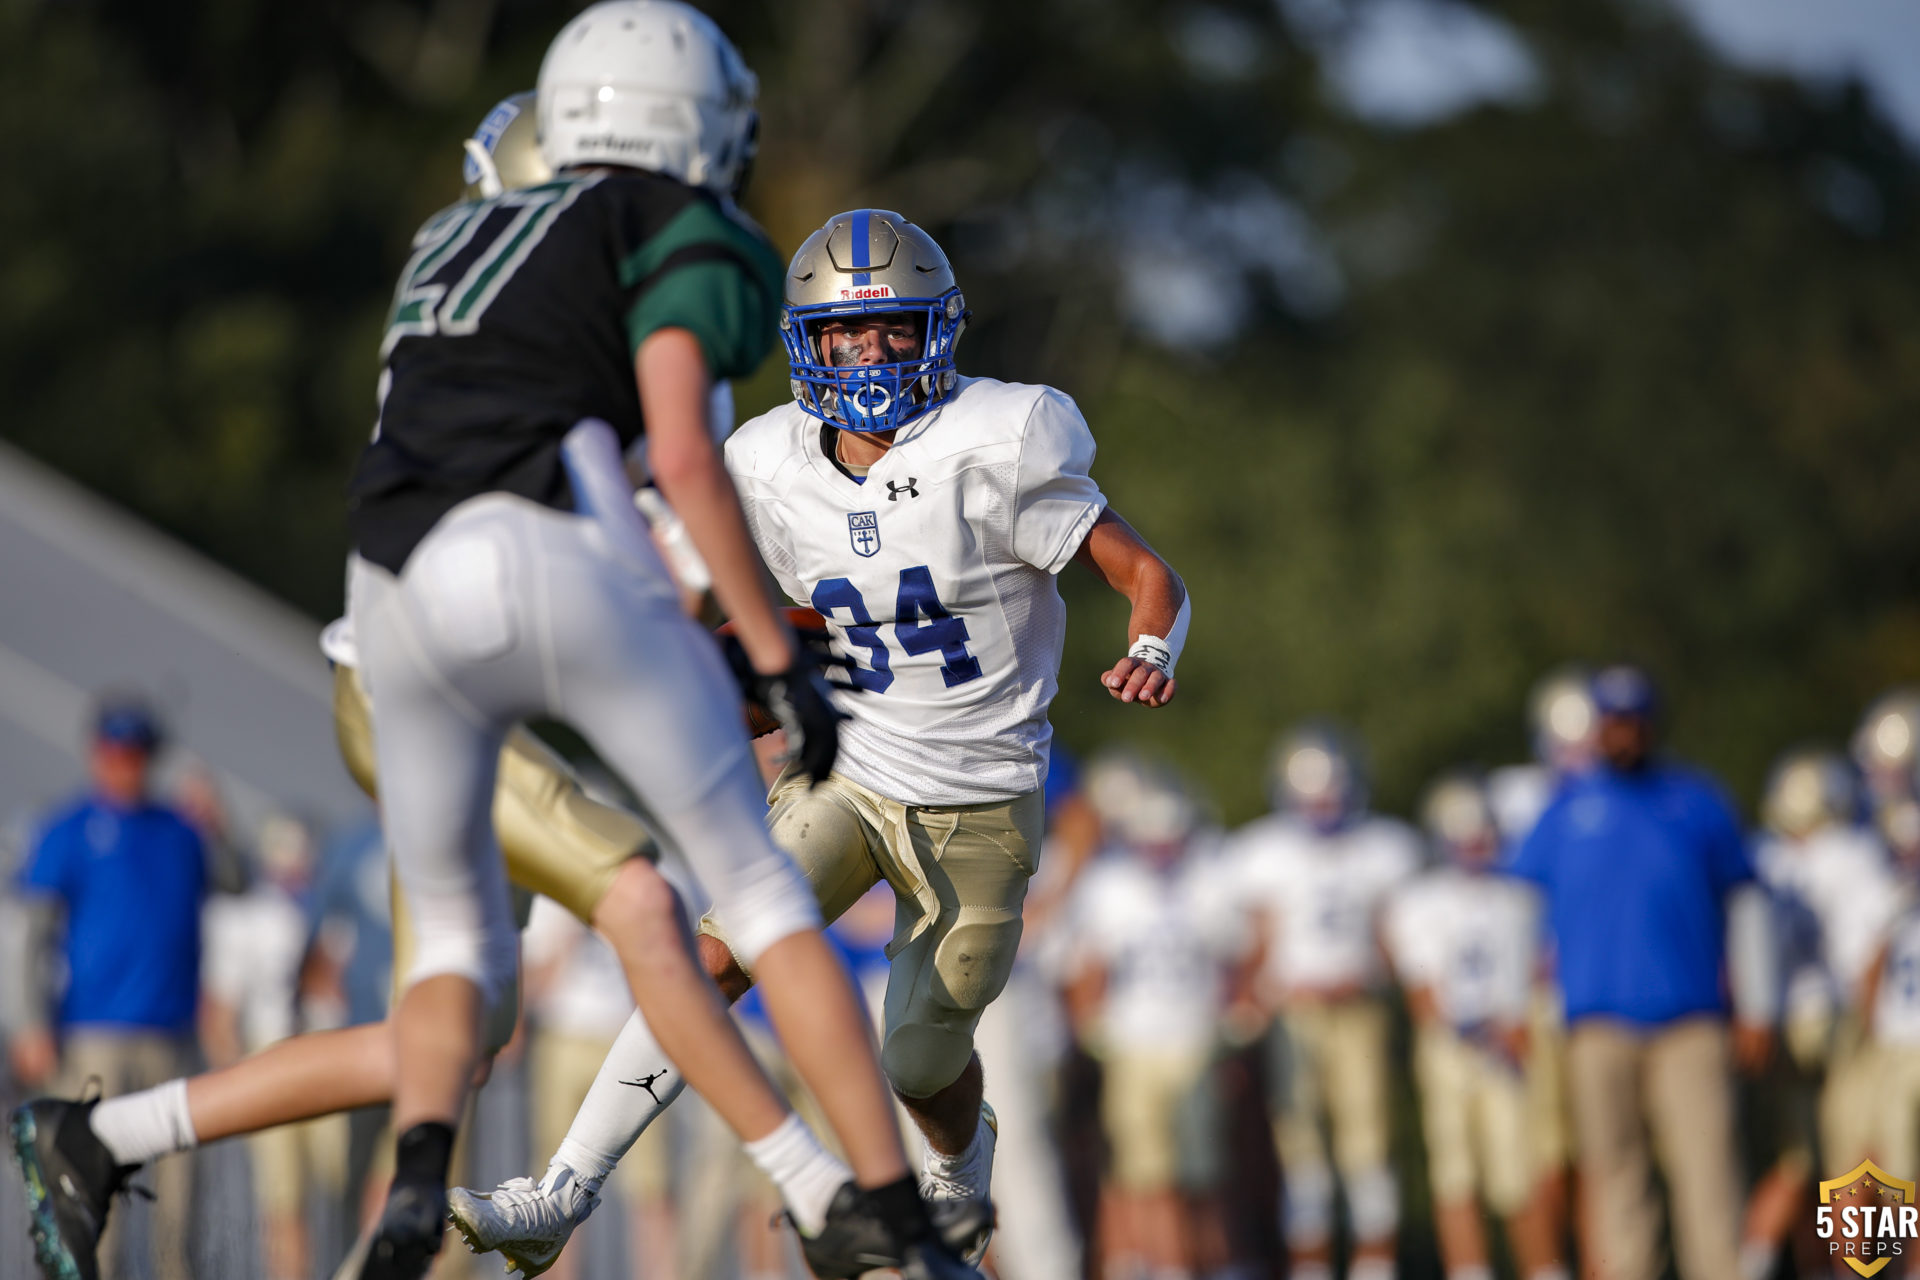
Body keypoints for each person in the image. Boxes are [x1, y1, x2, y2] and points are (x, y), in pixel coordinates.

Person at [10, 8, 983, 1279]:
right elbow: (661, 480)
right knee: (703, 893)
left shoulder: (452, 241)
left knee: (456, 1010)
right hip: (521, 587)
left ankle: (178, 1150)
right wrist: (774, 657)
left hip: (391, 614)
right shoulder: (658, 237)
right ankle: (860, 1206)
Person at [449, 205, 1190, 1275]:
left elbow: (1144, 571)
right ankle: (562, 1188)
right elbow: (768, 625)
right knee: (715, 950)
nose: (871, 353)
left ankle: (956, 1173)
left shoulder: (996, 439)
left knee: (921, 1060)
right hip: (848, 765)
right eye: (848, 334)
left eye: (893, 329)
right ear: (812, 344)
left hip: (979, 792)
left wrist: (1154, 645)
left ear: (934, 331)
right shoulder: (771, 463)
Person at [1507, 665, 1778, 1280]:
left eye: (1633, 721)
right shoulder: (1567, 808)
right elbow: (1519, 906)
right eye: (1613, 722)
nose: (1623, 734)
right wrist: (1512, 1003)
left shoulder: (1696, 801)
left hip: (1690, 1023)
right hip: (1597, 1024)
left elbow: (1744, 903)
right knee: (1615, 1183)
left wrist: (1759, 1006)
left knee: (1708, 1175)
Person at [6, 698, 208, 1280]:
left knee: (179, 1205)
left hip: (172, 1034)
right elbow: (28, 936)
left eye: (137, 753)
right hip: (93, 1035)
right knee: (93, 1201)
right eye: (116, 752)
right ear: (98, 754)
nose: (126, 765)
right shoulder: (68, 829)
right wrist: (30, 1023)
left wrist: (213, 823)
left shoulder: (181, 829)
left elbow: (236, 883)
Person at [1227, 724, 1417, 1280]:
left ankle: (1374, 1265)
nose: (1323, 805)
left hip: (1360, 1010)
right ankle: (1310, 1268)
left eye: (1332, 792)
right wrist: (1251, 1004)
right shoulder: (1264, 853)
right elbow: (1257, 947)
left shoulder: (1382, 848)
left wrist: (1380, 980)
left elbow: (1399, 944)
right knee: (1301, 1147)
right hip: (1294, 1015)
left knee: (1370, 1141)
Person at [1058, 753, 1238, 1280]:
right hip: (1135, 1042)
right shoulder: (1109, 888)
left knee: (1203, 1174)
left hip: (1193, 1039)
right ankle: (1163, 1266)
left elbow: (1233, 956)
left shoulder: (1206, 880)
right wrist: (1091, 1026)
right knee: (1143, 1173)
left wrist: (1230, 1019)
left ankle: (1209, 1262)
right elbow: (1087, 969)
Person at [1384, 773, 1564, 1280]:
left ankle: (1545, 1270)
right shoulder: (1421, 901)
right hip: (1456, 1046)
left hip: (1513, 1044)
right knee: (1456, 1178)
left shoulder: (1521, 897)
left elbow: (1540, 973)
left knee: (1520, 1176)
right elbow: (1425, 997)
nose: (1474, 846)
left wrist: (1519, 1026)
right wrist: (1488, 1031)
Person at [1742, 749, 1896, 1280]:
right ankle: (1865, 1272)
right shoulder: (1854, 853)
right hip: (1837, 1017)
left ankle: (1749, 1264)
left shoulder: (1762, 855)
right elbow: (1870, 953)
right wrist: (1869, 1028)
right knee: (1861, 1161)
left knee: (1796, 1160)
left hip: (1777, 1022)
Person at [201, 815, 350, 1280]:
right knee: (282, 1198)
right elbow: (221, 1011)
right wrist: (234, 1080)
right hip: (272, 1052)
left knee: (347, 1181)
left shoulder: (335, 914)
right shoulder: (248, 917)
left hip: (331, 1051)